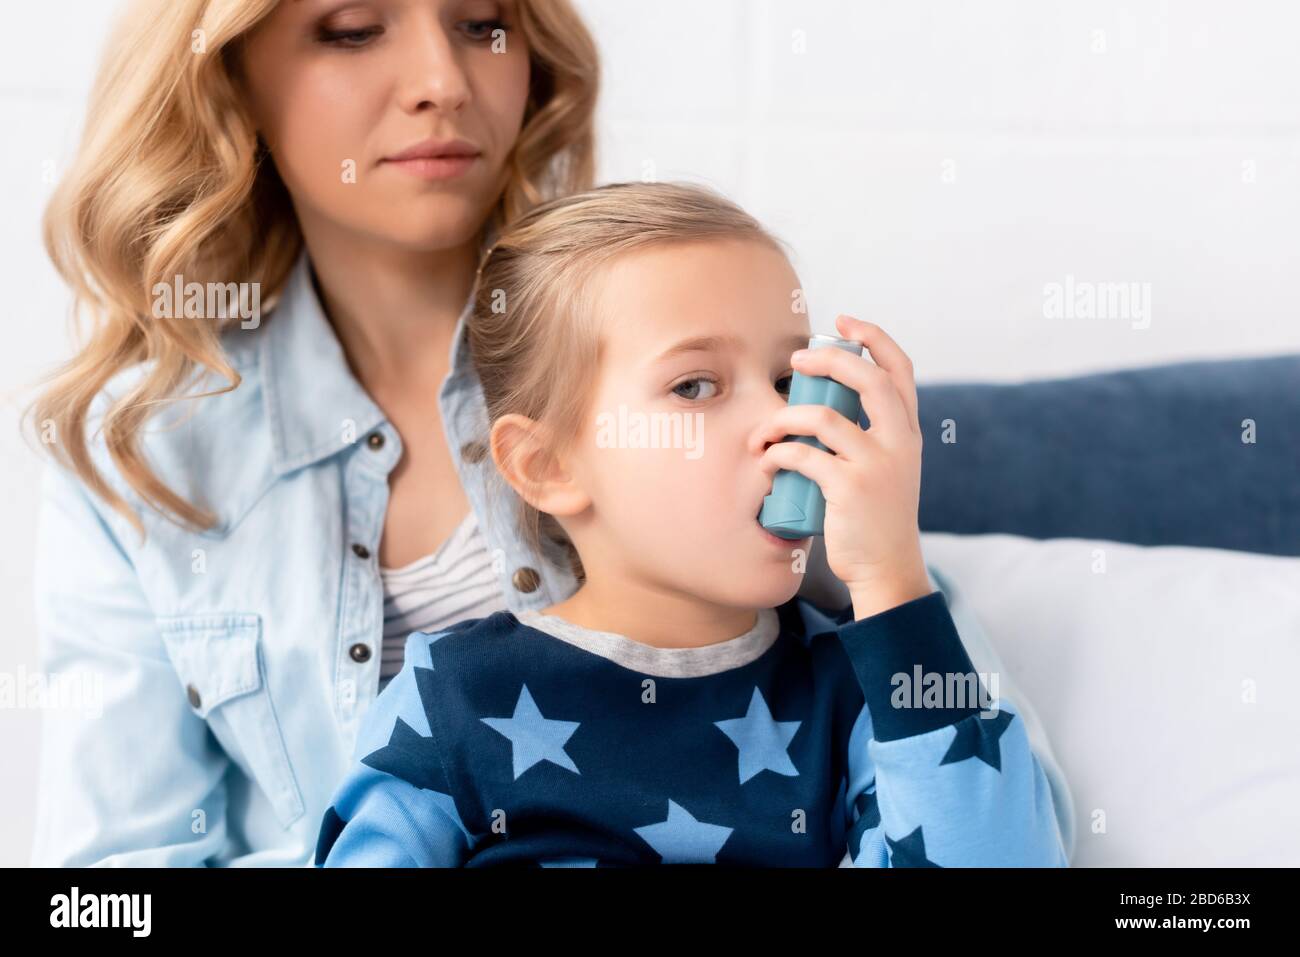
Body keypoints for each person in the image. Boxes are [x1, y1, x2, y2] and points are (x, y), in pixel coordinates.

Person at [24, 1, 1073, 867]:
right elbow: (109, 880)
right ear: (229, 79)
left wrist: (888, 578)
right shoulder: (138, 454)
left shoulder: (670, 317)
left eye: (483, 22)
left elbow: (999, 831)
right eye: (351, 27)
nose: (441, 76)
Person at [314, 181, 1073, 866]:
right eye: (696, 384)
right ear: (548, 466)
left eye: (789, 378)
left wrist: (892, 583)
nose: (784, 418)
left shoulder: (858, 694)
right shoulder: (453, 693)